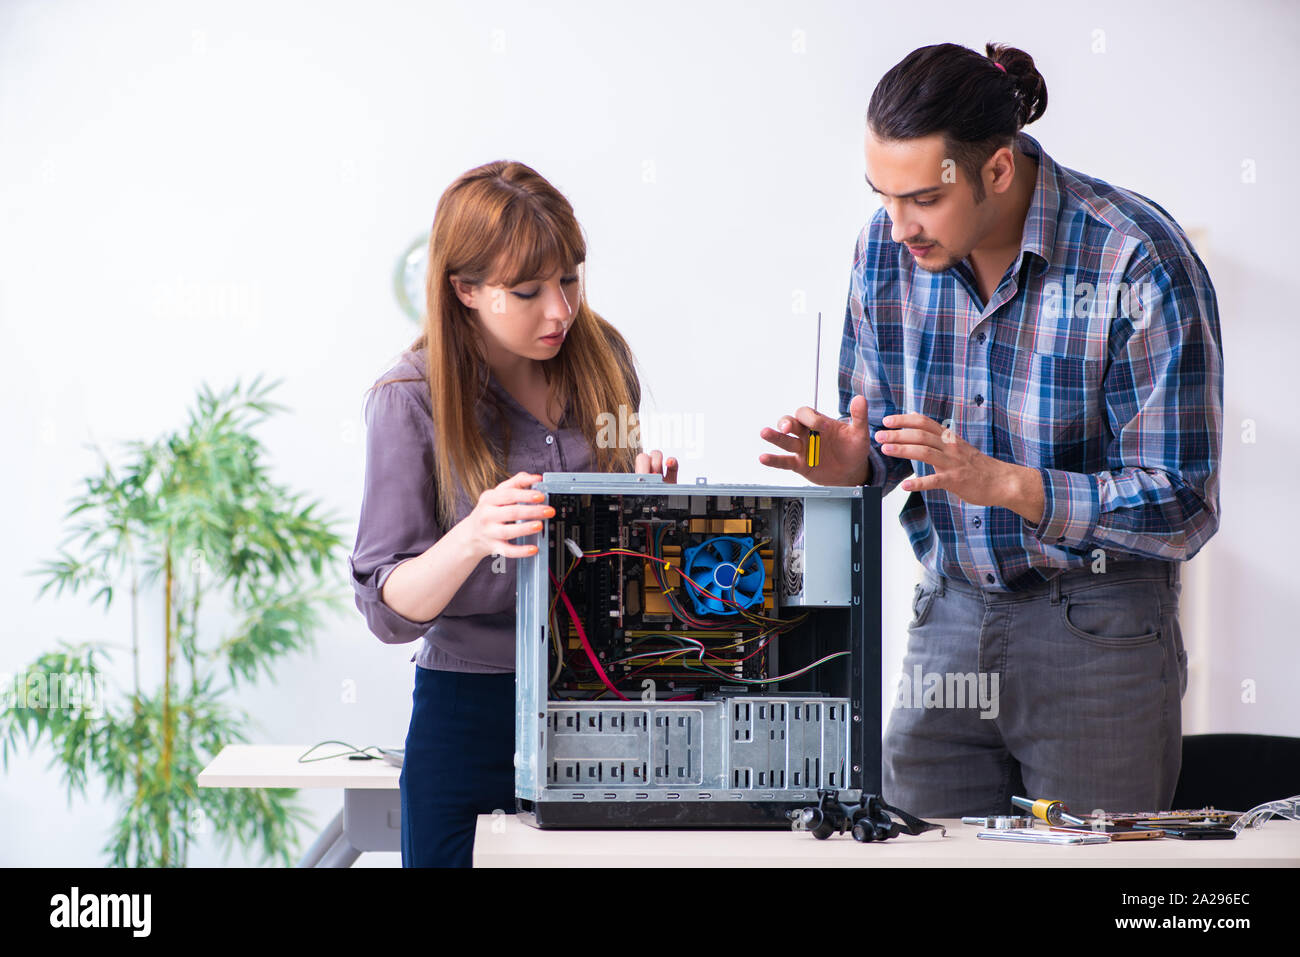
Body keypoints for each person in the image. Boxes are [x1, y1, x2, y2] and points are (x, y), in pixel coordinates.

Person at [758, 42, 1222, 818]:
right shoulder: (886, 250)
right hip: (949, 616)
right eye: (883, 195)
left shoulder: (1137, 261)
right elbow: (884, 448)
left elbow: (1183, 503)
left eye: (922, 200)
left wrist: (1008, 484)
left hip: (1098, 629)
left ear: (998, 171)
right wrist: (850, 463)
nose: (899, 225)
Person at [349, 160, 677, 867]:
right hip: (470, 715)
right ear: (464, 289)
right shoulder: (408, 400)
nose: (560, 310)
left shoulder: (605, 360)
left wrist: (651, 497)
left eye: (570, 278)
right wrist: (473, 535)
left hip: (604, 707)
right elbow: (385, 608)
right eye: (526, 291)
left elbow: (622, 542)